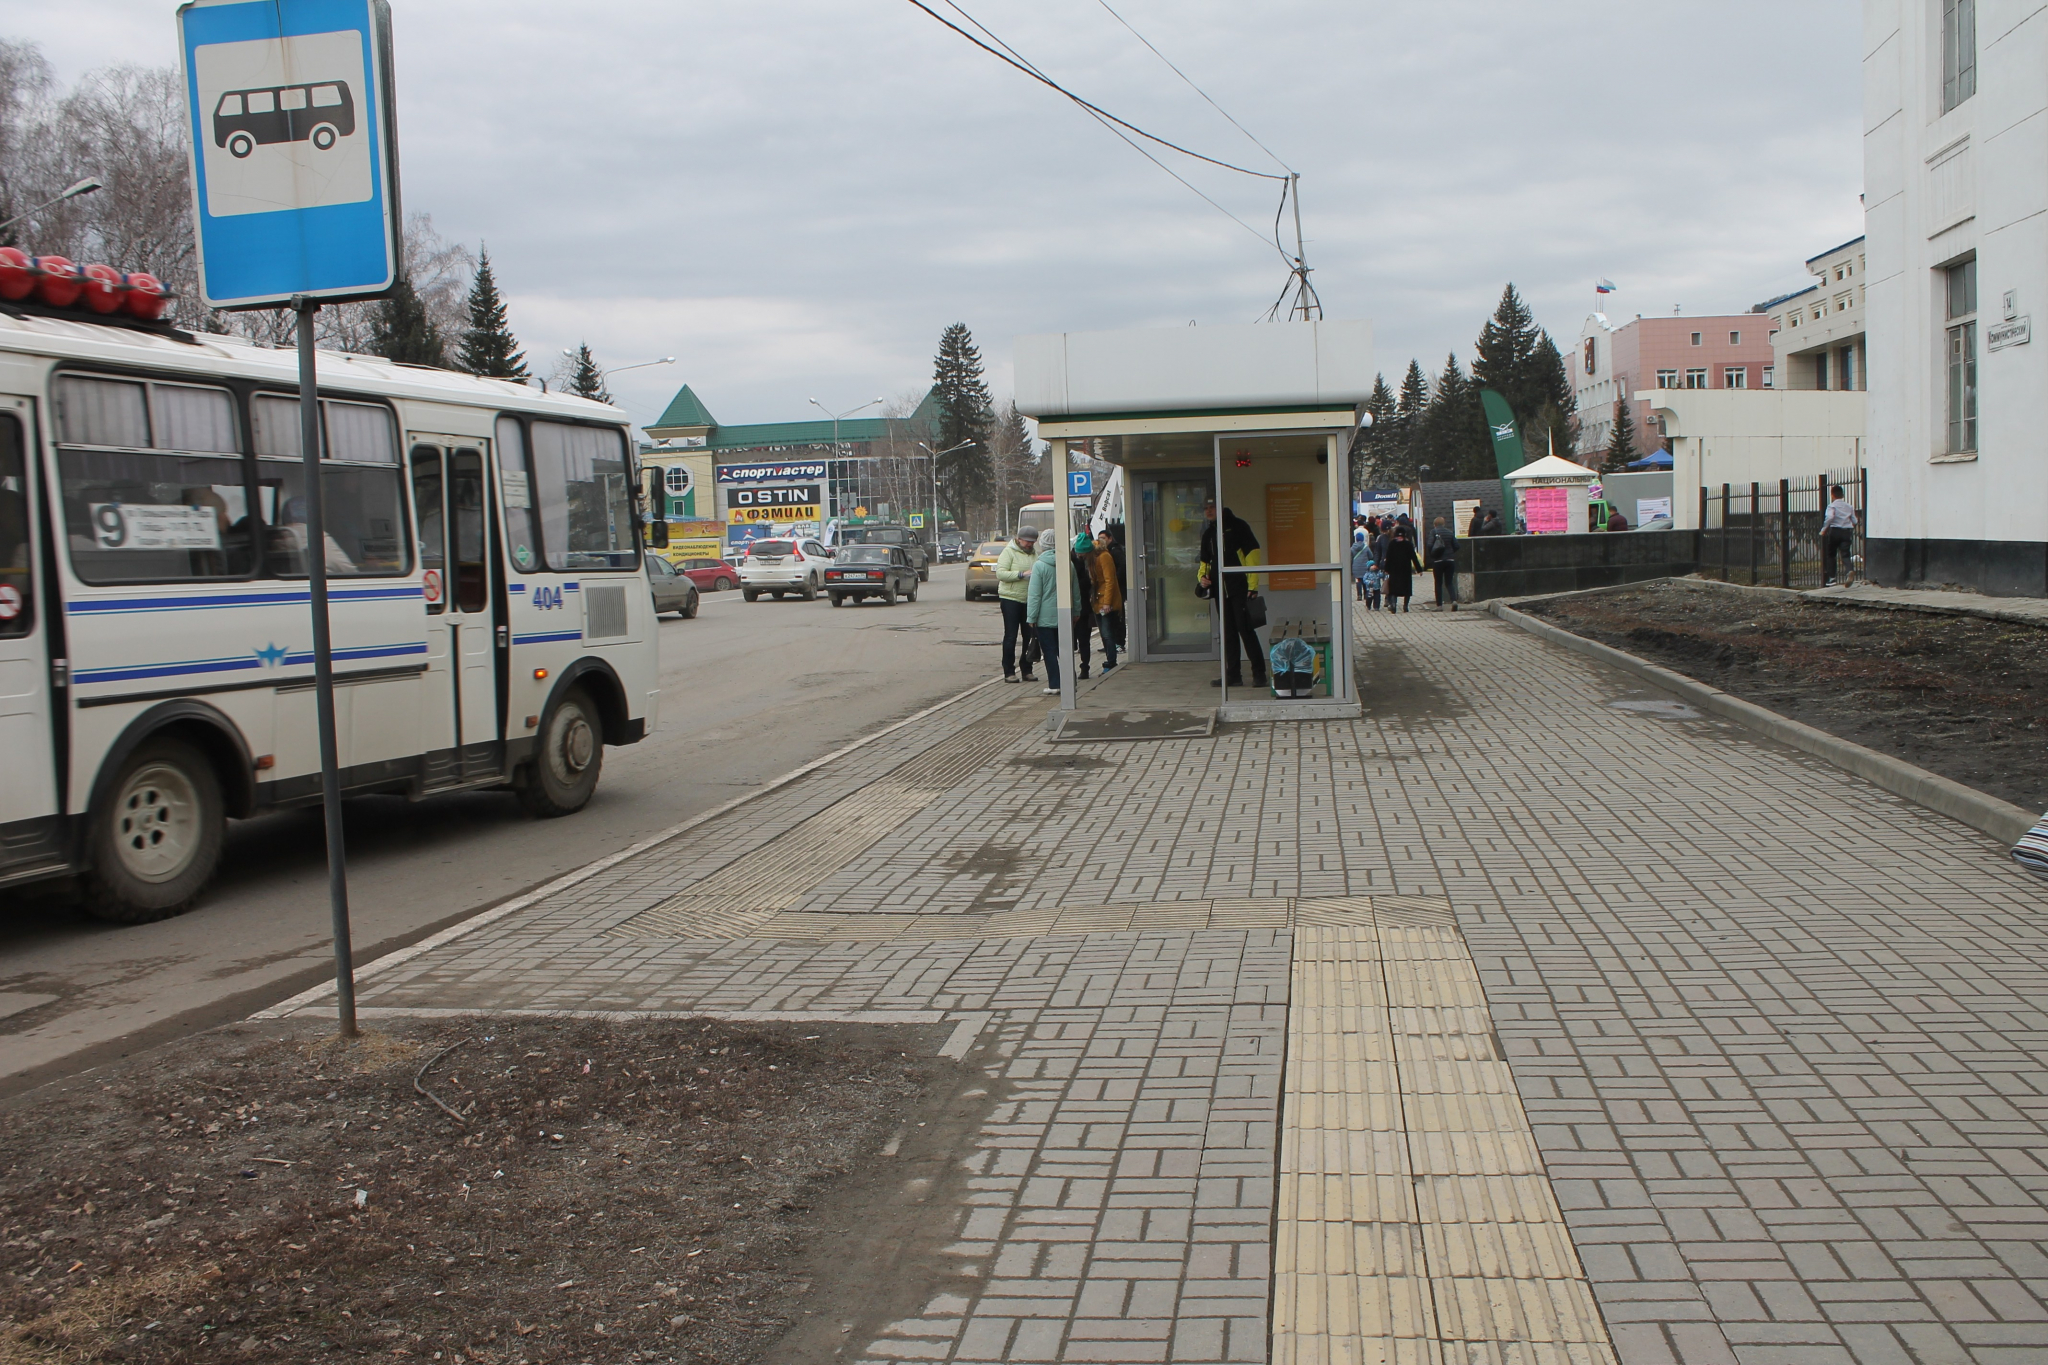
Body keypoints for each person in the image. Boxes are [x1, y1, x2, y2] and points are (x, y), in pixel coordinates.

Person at [1197, 499, 1267, 688]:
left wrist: (1252, 585)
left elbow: (1253, 554)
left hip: (1240, 588)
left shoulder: (1238, 526)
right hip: (1221, 591)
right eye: (1206, 508)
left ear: (1220, 508)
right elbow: (1204, 563)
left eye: (1212, 507)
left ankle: (1259, 673)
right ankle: (1233, 675)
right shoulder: (1209, 533)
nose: (1208, 511)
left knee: (1246, 630)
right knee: (1228, 633)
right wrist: (1202, 578)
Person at [994, 526, 1039, 683]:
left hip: (1029, 599)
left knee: (1029, 636)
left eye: (1033, 542)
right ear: (1019, 539)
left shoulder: (1035, 554)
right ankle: (1009, 671)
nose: (1030, 544)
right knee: (1011, 636)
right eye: (1027, 541)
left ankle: (1027, 669)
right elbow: (1001, 573)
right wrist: (1021, 574)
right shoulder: (1009, 552)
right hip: (1011, 598)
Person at [1025, 526, 1064, 694]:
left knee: (1049, 651)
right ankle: (1070, 679)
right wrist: (1076, 610)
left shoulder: (1039, 566)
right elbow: (1075, 590)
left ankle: (1055, 683)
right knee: (1064, 650)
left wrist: (1031, 617)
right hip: (1064, 614)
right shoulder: (1066, 563)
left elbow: (1035, 595)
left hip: (1044, 618)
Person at [1089, 530, 1123, 673]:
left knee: (1107, 632)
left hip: (1104, 601)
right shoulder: (1092, 558)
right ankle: (1110, 659)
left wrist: (1107, 602)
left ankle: (1111, 661)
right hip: (1097, 600)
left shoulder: (1104, 557)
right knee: (1104, 633)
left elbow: (1110, 581)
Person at [1069, 531, 1099, 680]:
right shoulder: (1079, 563)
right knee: (1082, 640)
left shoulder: (1072, 562)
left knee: (1082, 640)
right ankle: (1082, 668)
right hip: (1080, 607)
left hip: (1081, 608)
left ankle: (1083, 668)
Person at [1381, 523, 1424, 613]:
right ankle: (1400, 605)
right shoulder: (1408, 544)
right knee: (1405, 589)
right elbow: (1413, 557)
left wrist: (1386, 570)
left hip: (1395, 570)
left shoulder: (1392, 544)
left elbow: (1388, 557)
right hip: (1404, 570)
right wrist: (1419, 569)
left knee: (1394, 589)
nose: (1399, 538)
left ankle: (1398, 605)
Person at [1820, 483, 1856, 586]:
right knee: (1845, 554)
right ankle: (1849, 570)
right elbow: (1855, 520)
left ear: (1832, 495)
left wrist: (1824, 529)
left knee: (1831, 554)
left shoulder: (1832, 506)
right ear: (1842, 495)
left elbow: (1830, 517)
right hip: (1847, 531)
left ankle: (1832, 578)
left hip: (1835, 531)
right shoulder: (1849, 506)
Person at [1425, 516, 1458, 611]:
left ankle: (1439, 605)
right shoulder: (1449, 532)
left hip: (1438, 561)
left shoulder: (1433, 532)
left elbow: (1430, 544)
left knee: (1438, 583)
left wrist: (1433, 554)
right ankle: (1454, 601)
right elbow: (1456, 545)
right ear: (1444, 524)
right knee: (1449, 582)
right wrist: (1451, 553)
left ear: (1434, 524)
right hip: (1450, 560)